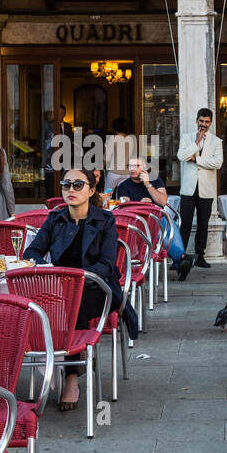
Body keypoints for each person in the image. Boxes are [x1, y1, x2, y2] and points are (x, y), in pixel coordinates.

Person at [25, 167, 135, 411]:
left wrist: (77, 279)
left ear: (91, 190)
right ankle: (58, 358)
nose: (71, 190)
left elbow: (107, 264)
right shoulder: (55, 218)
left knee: (76, 304)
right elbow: (31, 252)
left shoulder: (105, 220)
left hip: (97, 288)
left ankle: (72, 376)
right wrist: (50, 270)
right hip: (58, 289)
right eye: (66, 185)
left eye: (78, 185)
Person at [113, 155, 188, 277]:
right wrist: (140, 205)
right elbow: (124, 209)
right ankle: (182, 258)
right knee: (158, 230)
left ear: (145, 168)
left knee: (169, 225)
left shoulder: (155, 181)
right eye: (130, 166)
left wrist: (148, 185)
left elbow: (163, 202)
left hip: (158, 218)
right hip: (138, 225)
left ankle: (181, 260)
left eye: (136, 166)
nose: (132, 169)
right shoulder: (123, 186)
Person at [177, 107, 223, 269]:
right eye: (201, 121)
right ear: (197, 121)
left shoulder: (216, 141)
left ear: (211, 123)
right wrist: (196, 142)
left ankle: (200, 256)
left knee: (203, 224)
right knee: (185, 224)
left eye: (207, 122)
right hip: (188, 188)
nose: (203, 124)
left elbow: (217, 163)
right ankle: (179, 257)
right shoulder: (187, 137)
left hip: (206, 189)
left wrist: (197, 160)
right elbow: (181, 156)